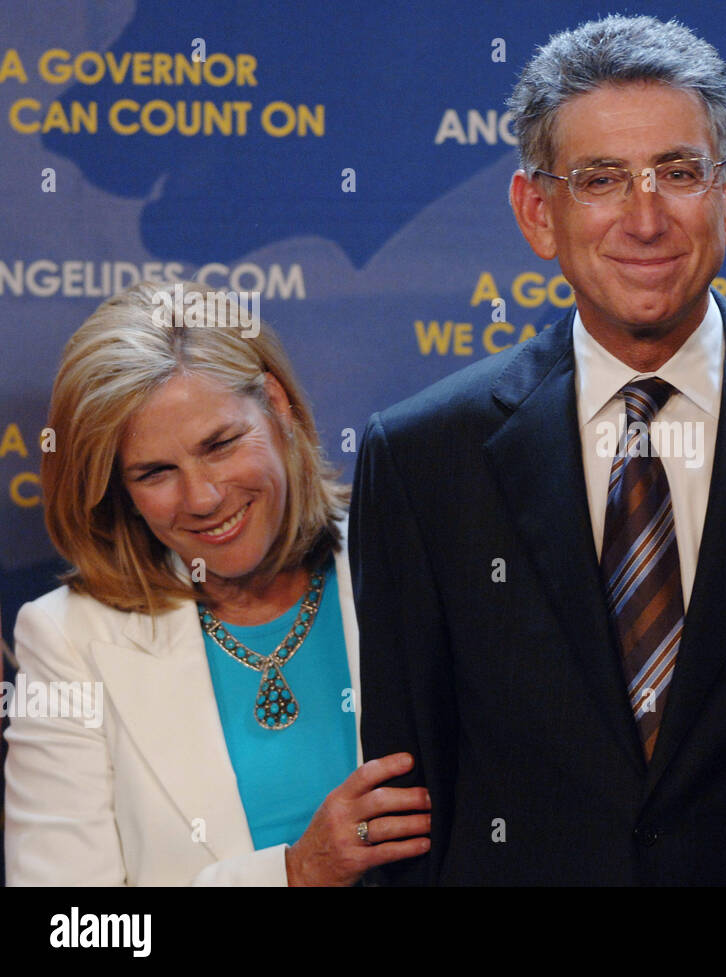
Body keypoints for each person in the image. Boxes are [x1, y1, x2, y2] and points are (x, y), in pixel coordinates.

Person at [351, 14, 726, 884]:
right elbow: (409, 816)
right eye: (600, 179)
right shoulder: (424, 459)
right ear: (539, 213)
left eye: (678, 173)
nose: (645, 219)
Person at [4, 281, 431, 884]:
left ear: (277, 405)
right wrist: (294, 874)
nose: (202, 497)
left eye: (221, 444)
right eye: (155, 472)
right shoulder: (65, 639)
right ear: (119, 489)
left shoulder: (410, 558)